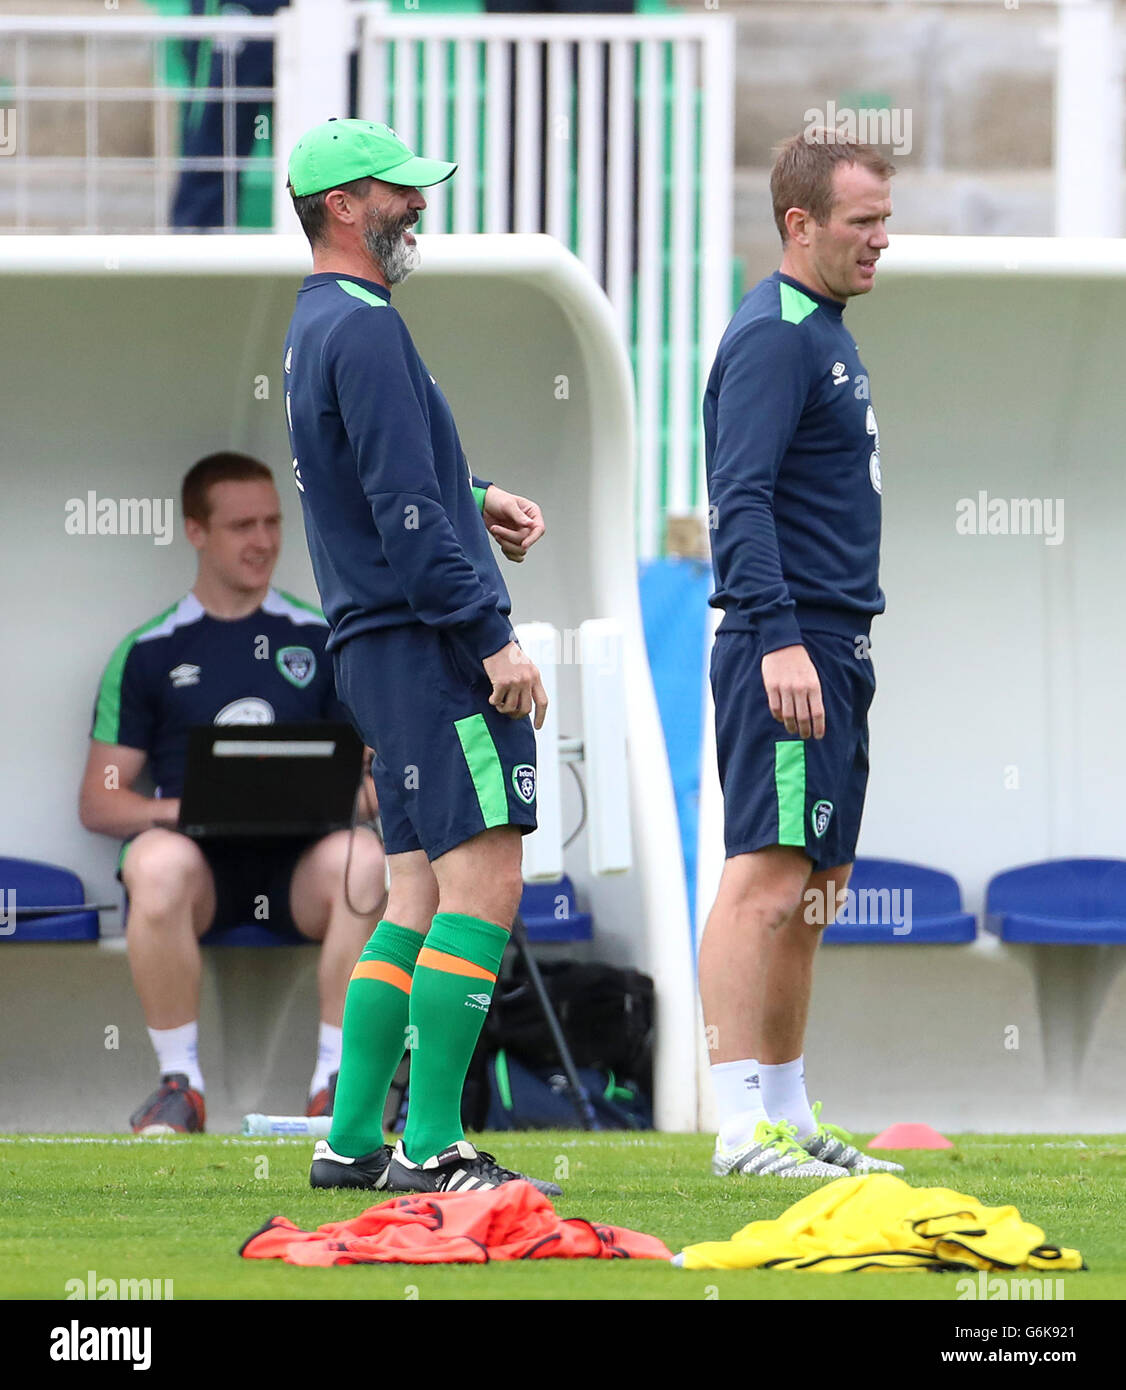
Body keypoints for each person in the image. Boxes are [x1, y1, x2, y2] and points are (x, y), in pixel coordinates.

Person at [282, 118, 557, 1196]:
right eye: (399, 191)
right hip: (429, 644)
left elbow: (384, 476)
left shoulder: (321, 324)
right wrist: (490, 634)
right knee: (483, 881)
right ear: (342, 206)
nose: (420, 205)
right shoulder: (368, 330)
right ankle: (432, 1142)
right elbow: (399, 507)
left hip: (373, 647)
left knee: (409, 890)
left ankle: (351, 1140)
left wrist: (475, 494)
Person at [699, 131, 906, 1179]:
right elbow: (737, 497)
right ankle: (736, 1125)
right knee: (765, 878)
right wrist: (778, 635)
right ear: (799, 224)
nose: (881, 240)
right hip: (788, 640)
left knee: (819, 882)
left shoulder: (822, 328)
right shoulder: (773, 334)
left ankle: (788, 1110)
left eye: (884, 220)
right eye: (862, 222)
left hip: (837, 640)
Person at [79, 452, 386, 1132]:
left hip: (301, 872)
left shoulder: (321, 638)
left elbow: (378, 777)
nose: (264, 541)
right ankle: (179, 1087)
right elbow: (103, 799)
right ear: (196, 531)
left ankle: (338, 1086)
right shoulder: (151, 652)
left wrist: (345, 798)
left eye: (273, 522)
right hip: (197, 878)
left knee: (366, 862)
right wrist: (185, 810)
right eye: (242, 525)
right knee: (152, 861)